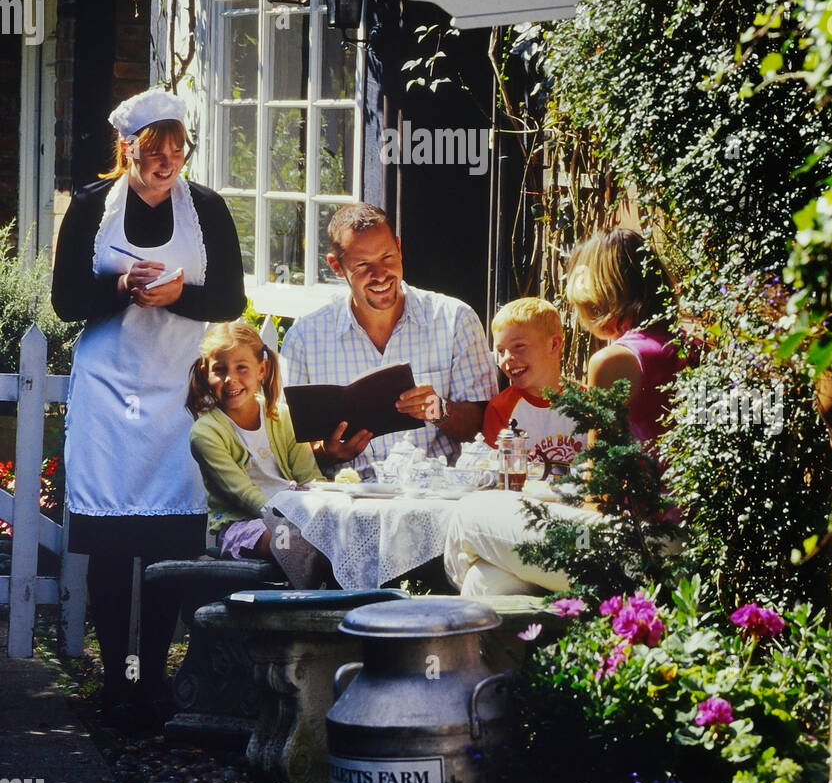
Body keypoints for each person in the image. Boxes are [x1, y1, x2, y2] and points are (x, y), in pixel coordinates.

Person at [52, 87, 245, 728]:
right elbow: (64, 301)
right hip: (110, 386)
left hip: (179, 388)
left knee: (167, 538)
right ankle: (117, 680)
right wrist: (120, 287)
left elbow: (230, 299)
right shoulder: (90, 206)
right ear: (127, 148)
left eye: (176, 149)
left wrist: (177, 296)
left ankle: (156, 679)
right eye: (153, 150)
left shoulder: (207, 208)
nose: (166, 162)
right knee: (112, 540)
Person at [444, 228, 682, 598]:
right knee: (488, 583)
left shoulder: (615, 361)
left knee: (470, 513)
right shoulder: (694, 348)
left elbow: (599, 495)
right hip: (681, 545)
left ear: (599, 297)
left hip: (625, 546)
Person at [280, 203, 498, 478]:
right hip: (345, 494)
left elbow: (485, 428)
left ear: (399, 248)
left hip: (434, 492)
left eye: (387, 258)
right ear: (336, 266)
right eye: (363, 265)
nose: (380, 274)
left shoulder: (455, 319)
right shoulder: (304, 337)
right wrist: (327, 453)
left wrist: (438, 409)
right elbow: (285, 446)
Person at [188, 321, 327, 585]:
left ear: (261, 370)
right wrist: (287, 519)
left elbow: (309, 477)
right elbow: (242, 493)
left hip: (296, 514)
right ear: (206, 373)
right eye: (220, 369)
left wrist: (323, 513)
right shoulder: (206, 432)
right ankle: (305, 599)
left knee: (336, 535)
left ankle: (344, 599)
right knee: (288, 541)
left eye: (242, 368)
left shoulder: (282, 417)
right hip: (245, 524)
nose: (230, 379)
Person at [482, 297, 586, 469]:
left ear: (553, 345)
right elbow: (494, 472)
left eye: (519, 346)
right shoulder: (500, 408)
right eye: (500, 351)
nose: (507, 358)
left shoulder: (587, 402)